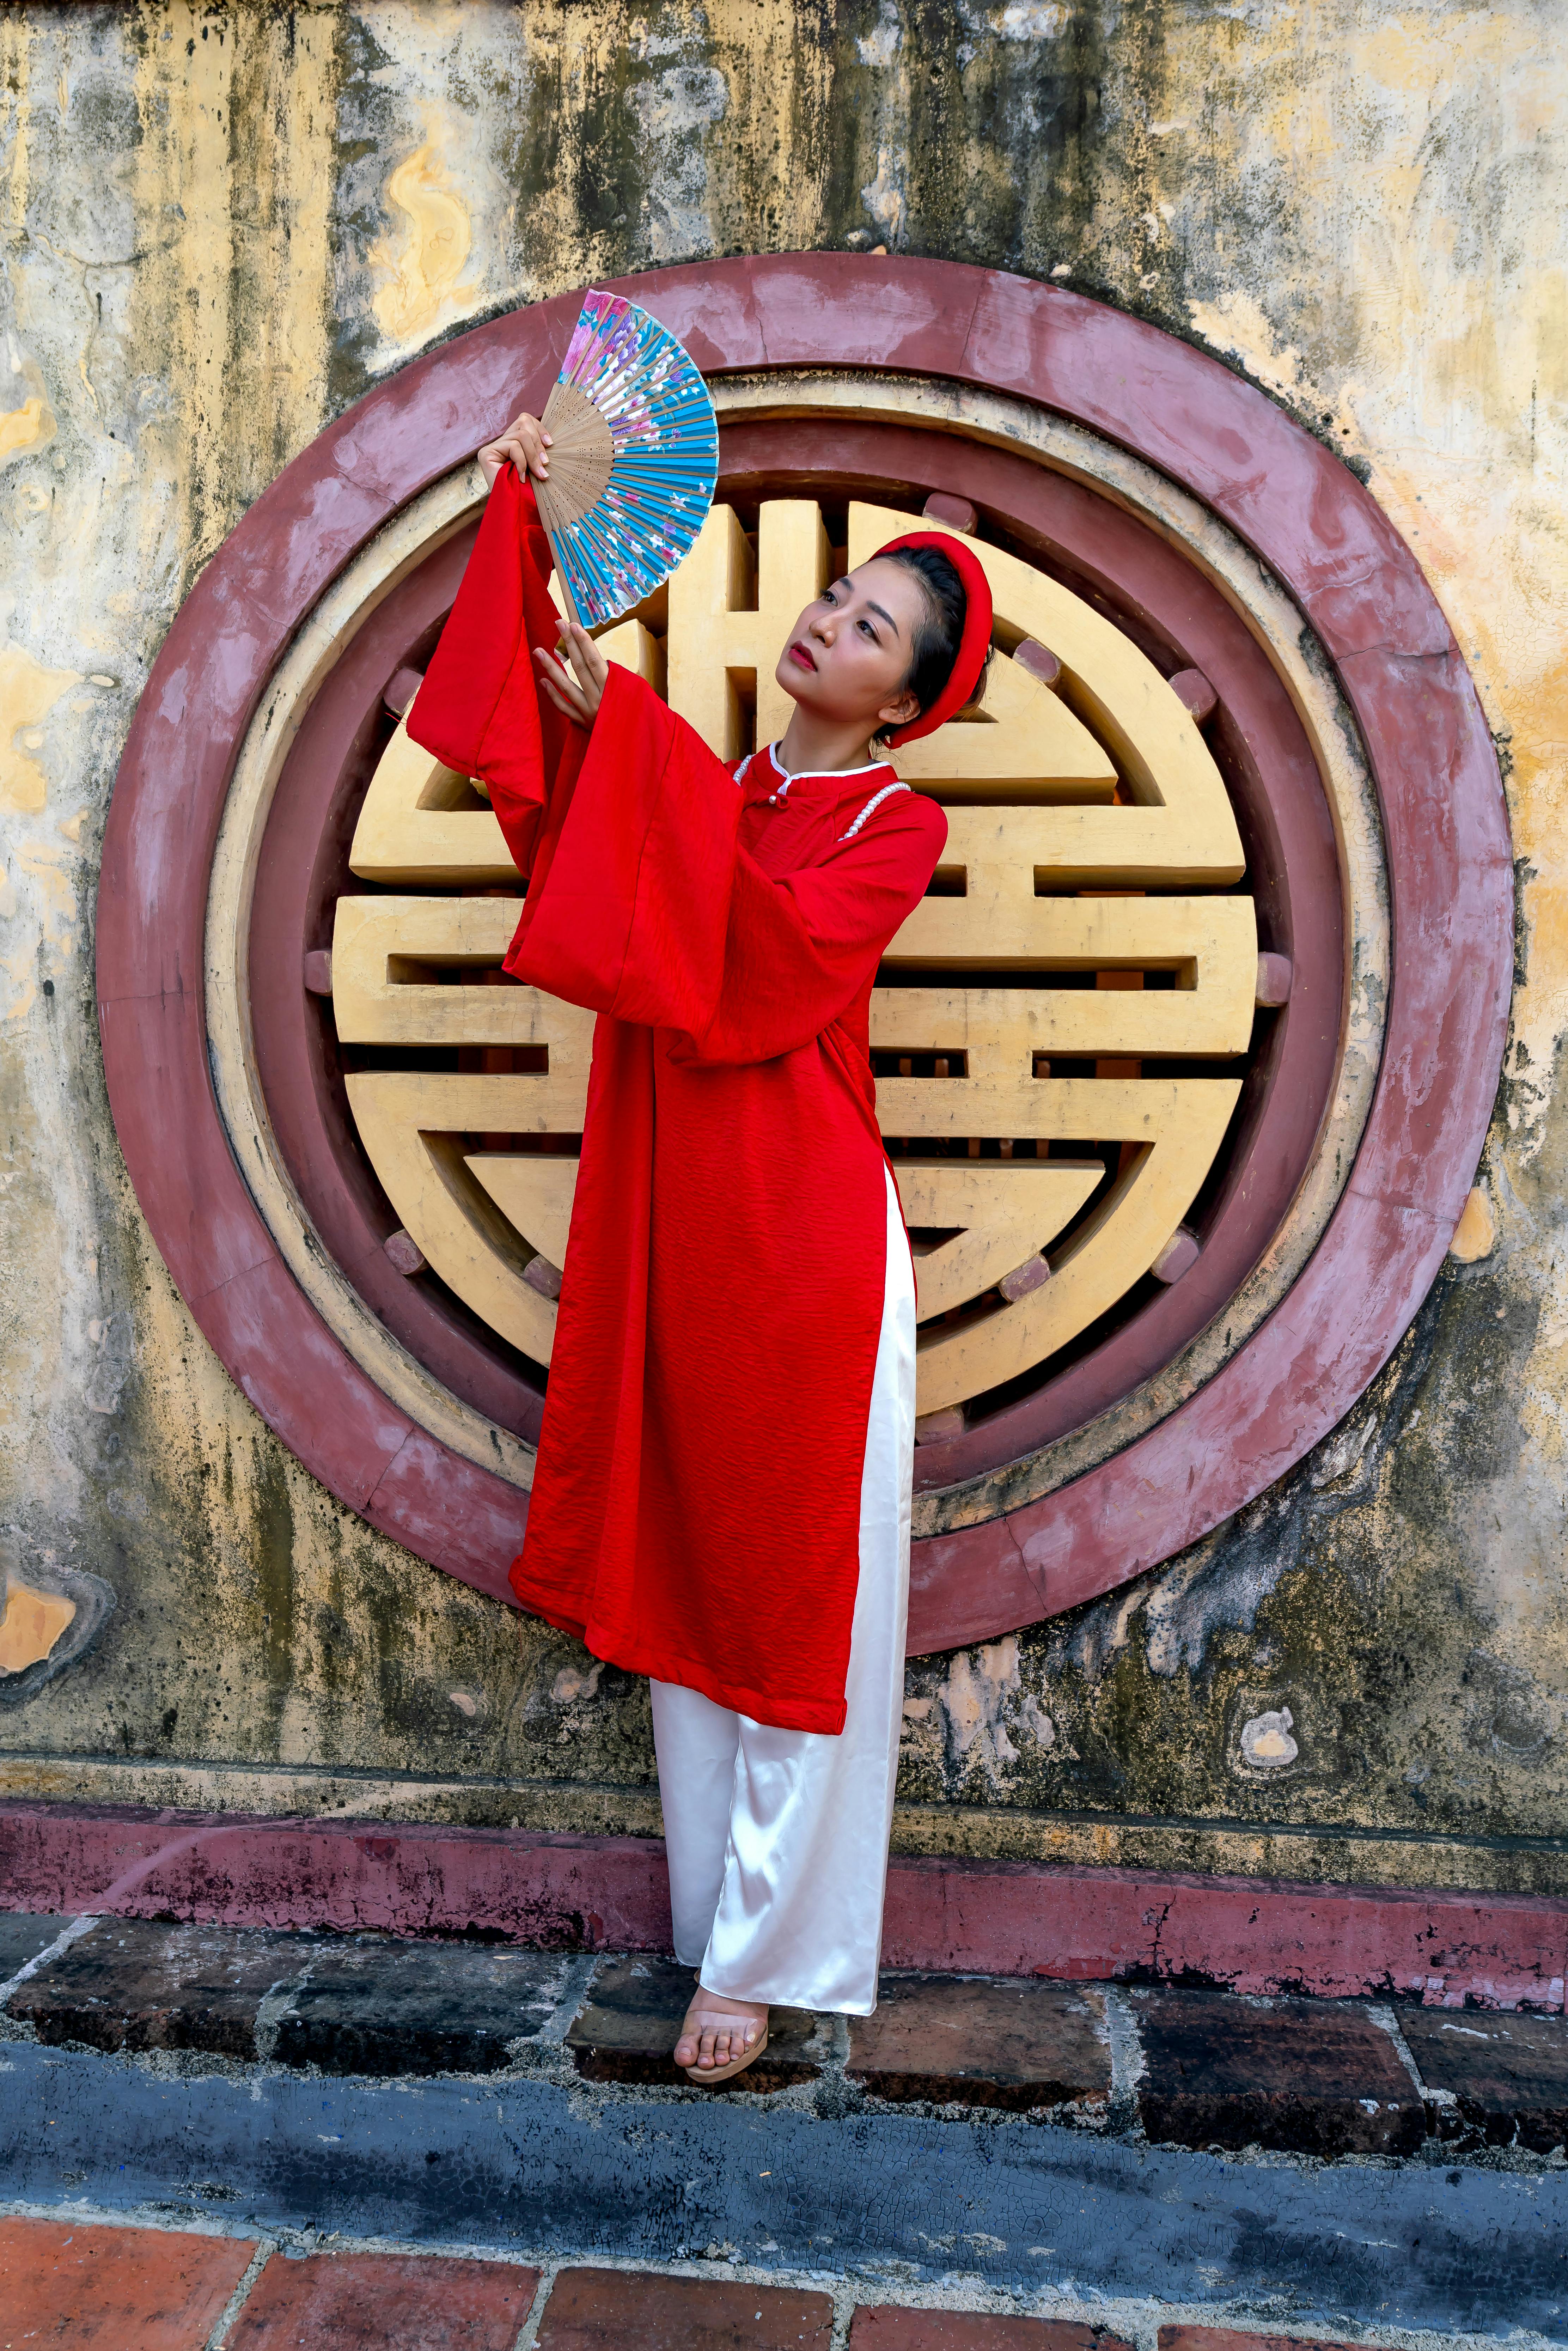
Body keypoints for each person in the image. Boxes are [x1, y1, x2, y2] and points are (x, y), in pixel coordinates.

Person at [408, 407, 993, 2085]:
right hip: (678, 1216)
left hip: (802, 1240)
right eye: (837, 597)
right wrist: (527, 532)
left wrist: (628, 742)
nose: (828, 623)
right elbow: (590, 853)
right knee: (690, 1564)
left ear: (903, 702)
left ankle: (765, 1953)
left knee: (791, 1590)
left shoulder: (891, 826)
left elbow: (762, 960)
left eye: (870, 629)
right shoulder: (716, 783)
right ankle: (713, 1918)